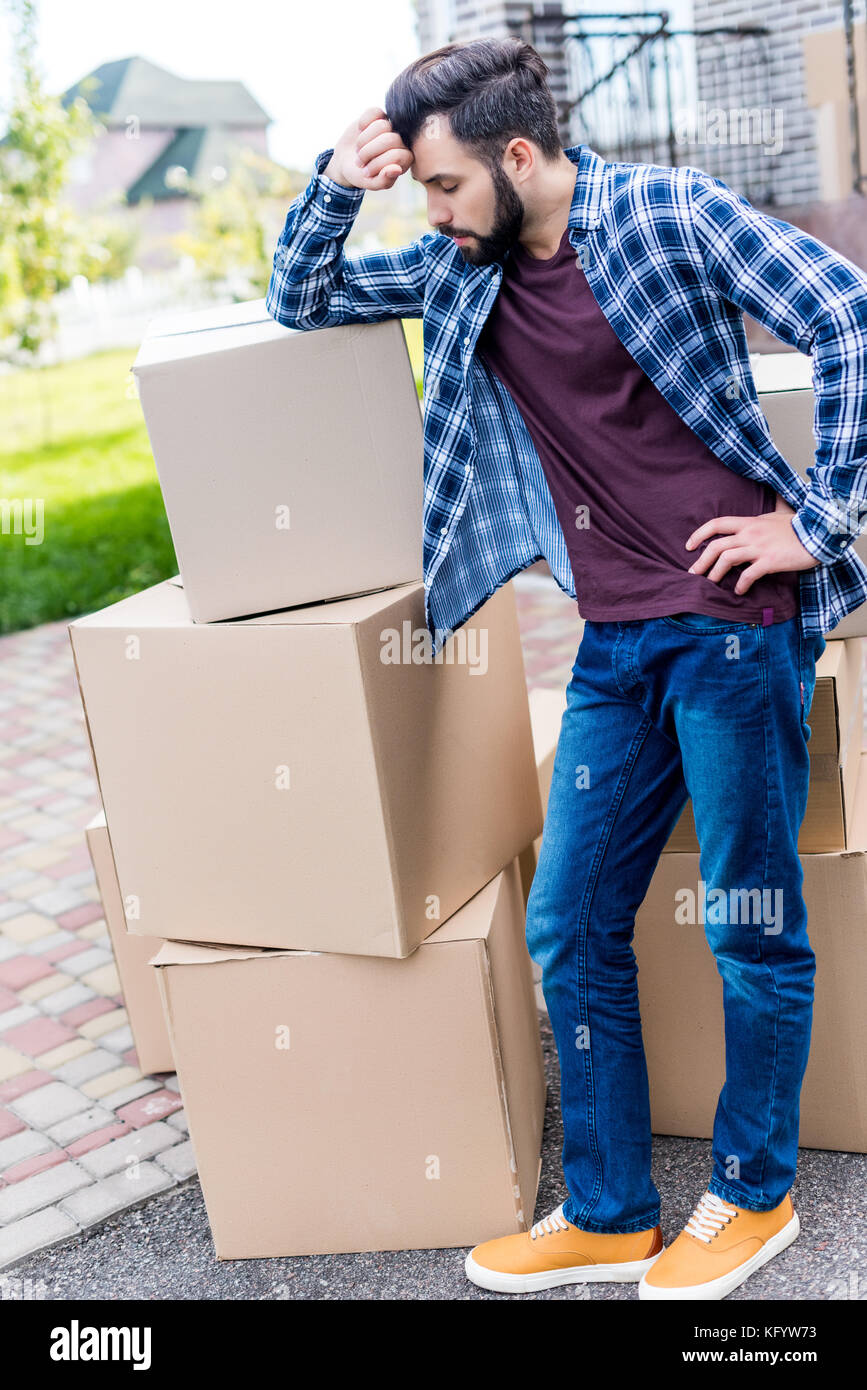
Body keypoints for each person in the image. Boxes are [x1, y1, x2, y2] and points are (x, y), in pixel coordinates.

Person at [265, 35, 867, 1299]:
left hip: (730, 631)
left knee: (751, 924)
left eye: (441, 185)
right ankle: (606, 1210)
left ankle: (756, 1198)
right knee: (572, 921)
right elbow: (304, 299)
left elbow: (847, 314)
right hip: (612, 643)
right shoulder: (462, 269)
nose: (429, 211)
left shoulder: (670, 213)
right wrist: (337, 181)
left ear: (519, 156)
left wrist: (811, 524)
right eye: (422, 190)